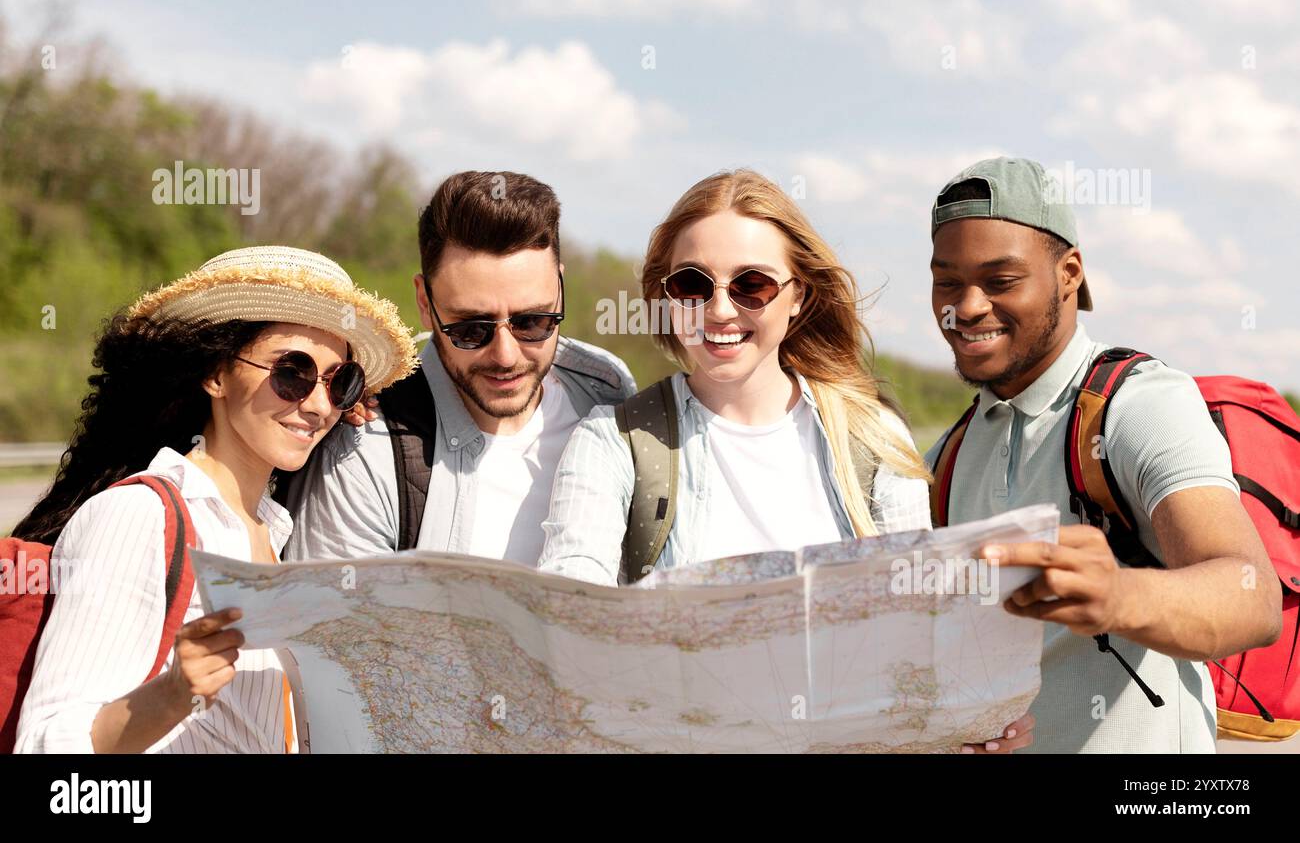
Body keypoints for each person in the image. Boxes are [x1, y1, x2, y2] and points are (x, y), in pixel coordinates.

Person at [537, 169, 1031, 752]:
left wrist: (972, 719)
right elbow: (568, 611)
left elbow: (920, 629)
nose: (719, 311)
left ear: (797, 296)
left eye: (752, 285)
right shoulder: (612, 440)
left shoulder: (873, 437)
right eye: (693, 284)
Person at [924, 156, 1281, 753]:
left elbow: (1253, 598)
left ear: (1068, 273)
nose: (968, 306)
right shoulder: (947, 456)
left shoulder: (1140, 404)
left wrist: (1117, 595)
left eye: (1001, 280)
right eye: (947, 281)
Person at [14, 246, 417, 753]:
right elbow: (45, 746)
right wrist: (172, 694)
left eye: (341, 383)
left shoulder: (273, 531)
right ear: (216, 374)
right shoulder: (137, 516)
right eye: (292, 372)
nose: (317, 405)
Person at [283, 171, 635, 565]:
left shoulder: (606, 390)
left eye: (533, 322)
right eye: (471, 329)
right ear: (424, 302)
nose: (506, 355)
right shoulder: (364, 448)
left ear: (559, 287)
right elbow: (336, 623)